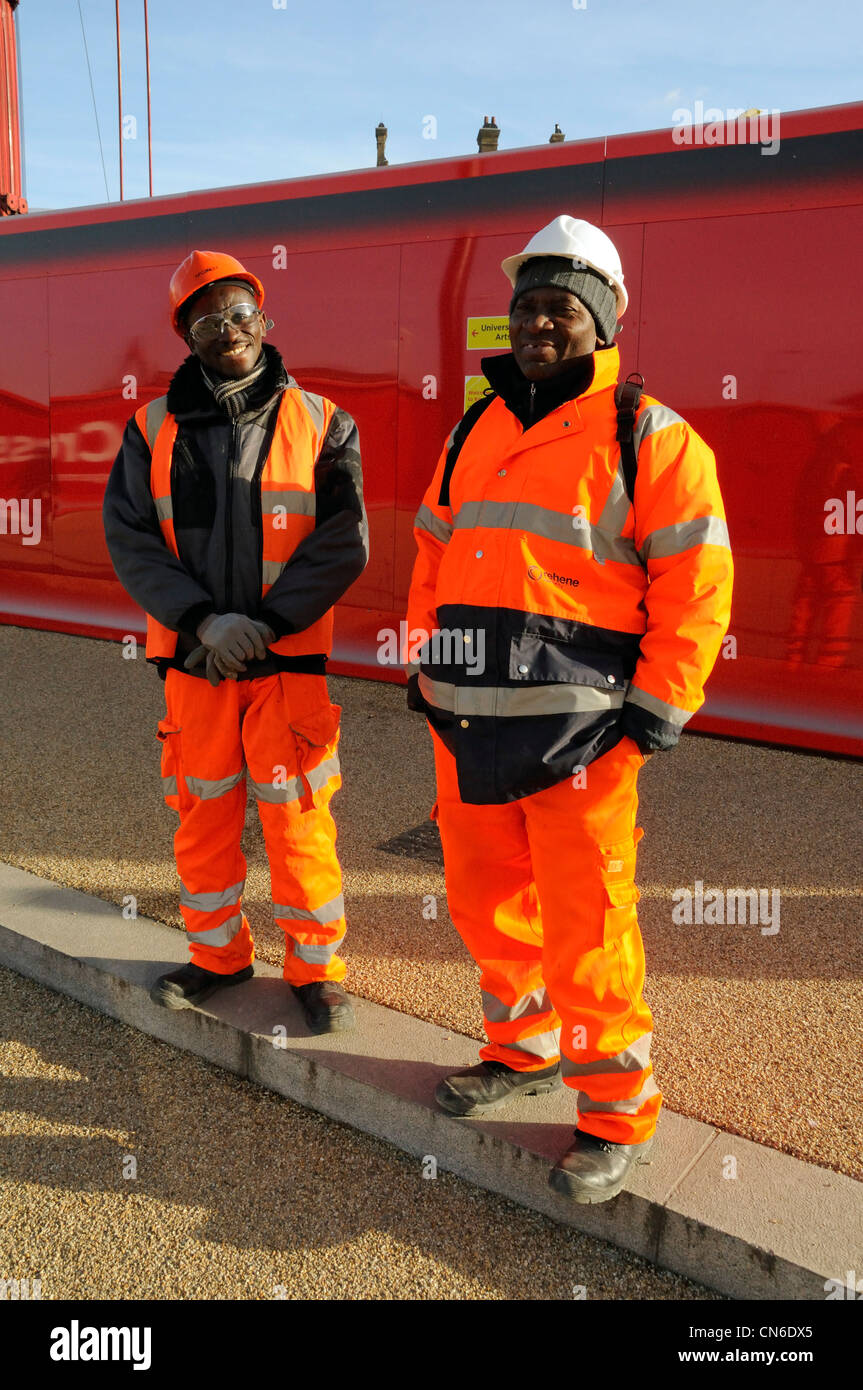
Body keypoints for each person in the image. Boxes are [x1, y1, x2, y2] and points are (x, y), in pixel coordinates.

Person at [405, 215, 733, 1202]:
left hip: (583, 736)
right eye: (527, 306)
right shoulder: (475, 427)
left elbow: (697, 580)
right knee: (484, 903)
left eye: (560, 307)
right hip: (467, 719)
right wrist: (424, 664)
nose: (538, 324)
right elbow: (432, 551)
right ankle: (521, 1050)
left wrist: (656, 707)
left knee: (587, 925)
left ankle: (614, 1115)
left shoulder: (648, 435)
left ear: (602, 321)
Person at [103, 250, 367, 1033]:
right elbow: (131, 539)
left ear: (264, 318)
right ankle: (217, 956)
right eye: (207, 320)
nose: (228, 329)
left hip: (287, 663)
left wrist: (267, 625)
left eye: (240, 312)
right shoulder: (150, 429)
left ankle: (317, 971)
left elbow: (342, 541)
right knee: (203, 816)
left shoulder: (323, 421)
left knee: (298, 819)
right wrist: (203, 621)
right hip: (196, 665)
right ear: (186, 336)